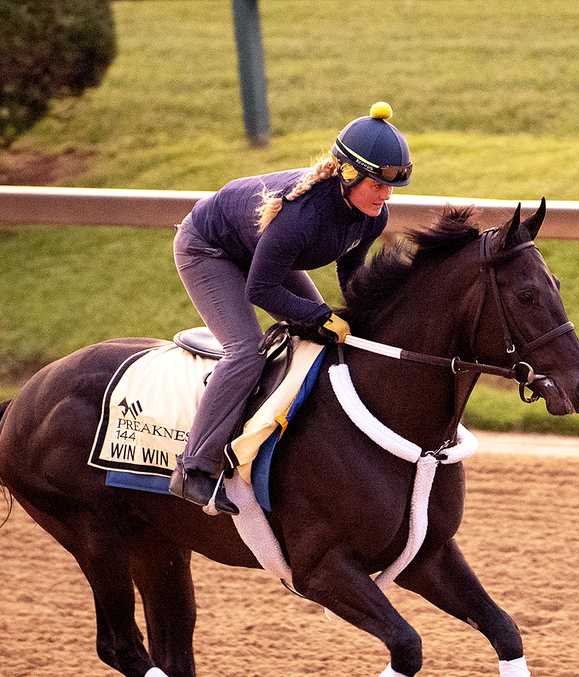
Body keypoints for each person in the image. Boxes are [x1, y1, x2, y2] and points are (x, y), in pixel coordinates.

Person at [168, 102, 413, 515]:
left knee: (325, 338)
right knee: (246, 350)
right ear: (348, 174)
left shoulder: (372, 214)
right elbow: (260, 289)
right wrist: (319, 316)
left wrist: (365, 316)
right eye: (378, 184)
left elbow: (350, 268)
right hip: (209, 249)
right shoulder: (301, 218)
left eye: (391, 187)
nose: (386, 194)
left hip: (264, 252)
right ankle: (194, 467)